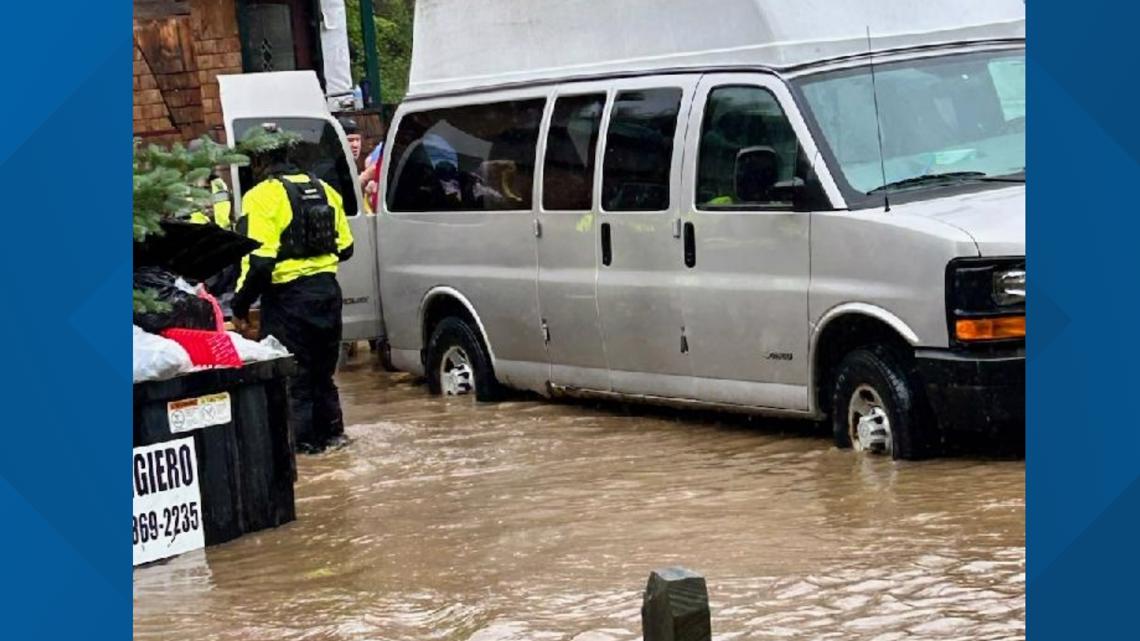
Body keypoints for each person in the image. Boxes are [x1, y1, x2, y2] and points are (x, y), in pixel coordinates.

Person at [231, 125, 355, 454]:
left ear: (258, 159)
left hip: (288, 300)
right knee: (323, 376)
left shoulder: (260, 197)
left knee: (294, 379)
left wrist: (241, 305)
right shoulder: (326, 190)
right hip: (328, 294)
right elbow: (346, 248)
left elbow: (259, 262)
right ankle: (334, 439)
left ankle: (300, 451)